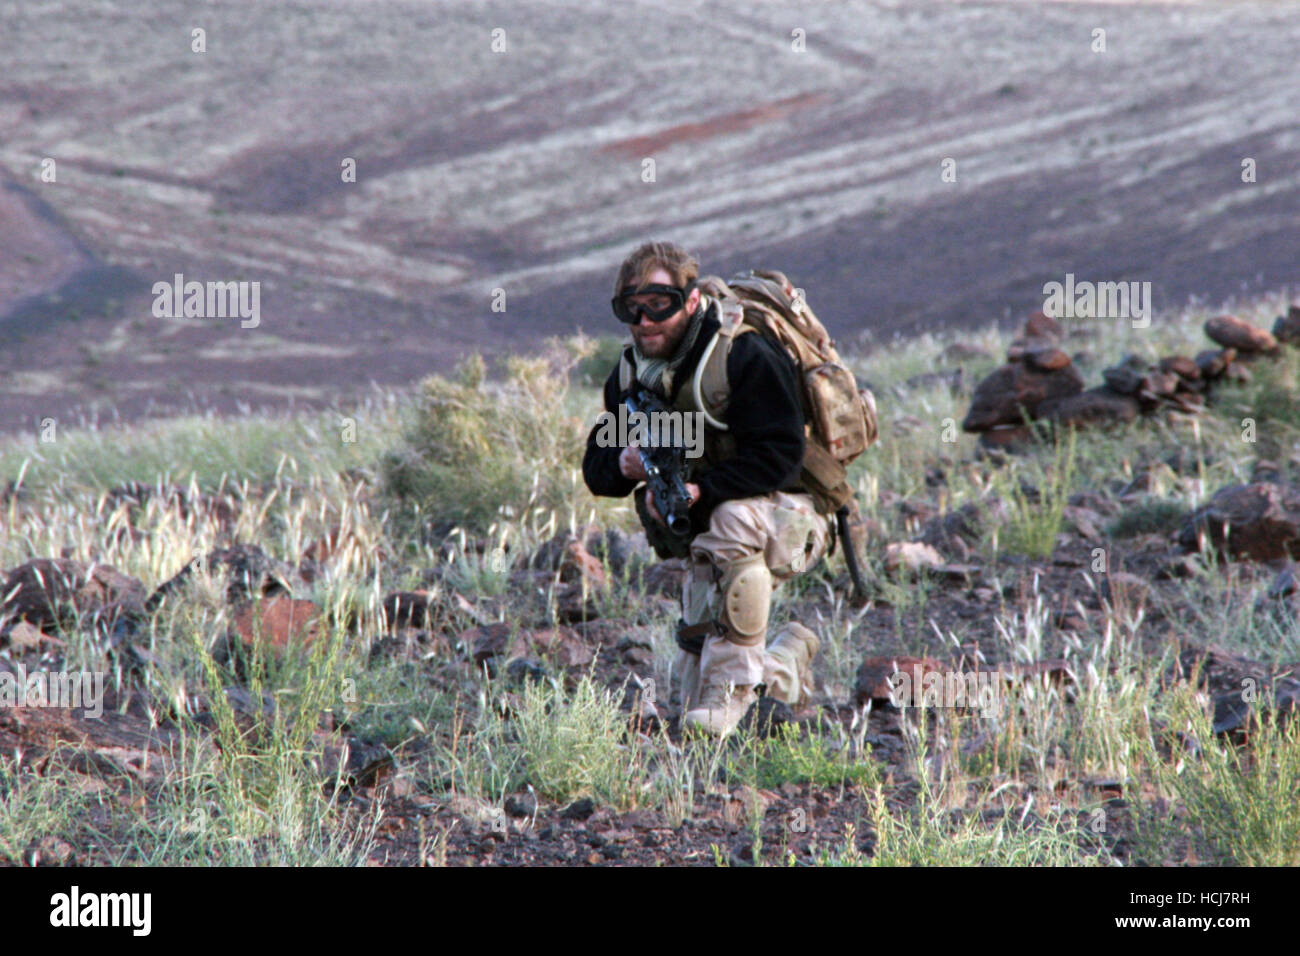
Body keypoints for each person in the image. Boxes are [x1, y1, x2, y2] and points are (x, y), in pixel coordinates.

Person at [582, 240, 830, 737]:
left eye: (660, 304)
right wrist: (628, 463)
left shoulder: (742, 355)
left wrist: (703, 490)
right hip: (709, 534)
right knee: (690, 696)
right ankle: (783, 661)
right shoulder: (632, 376)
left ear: (691, 301)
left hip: (793, 518)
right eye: (630, 309)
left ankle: (731, 694)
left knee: (730, 522)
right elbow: (596, 466)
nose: (645, 320)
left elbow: (782, 456)